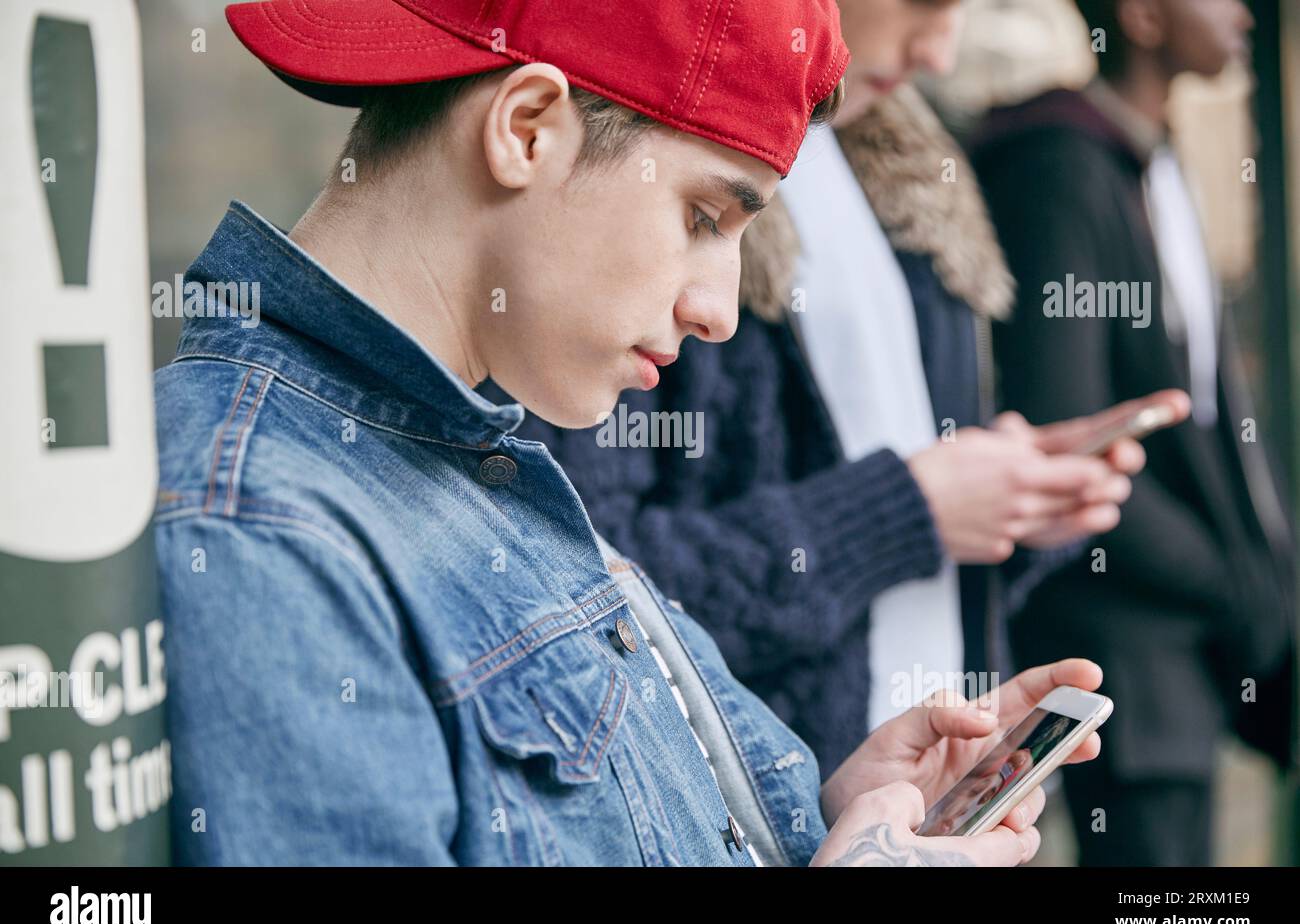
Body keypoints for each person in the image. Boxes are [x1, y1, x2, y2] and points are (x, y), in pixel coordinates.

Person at [153, 0, 1102, 867]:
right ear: (526, 129)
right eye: (702, 215)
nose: (720, 309)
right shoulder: (261, 523)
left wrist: (818, 824)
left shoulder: (471, 449)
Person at [482, 0, 1176, 773]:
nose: (940, 53)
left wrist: (1011, 502)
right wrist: (908, 513)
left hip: (921, 786)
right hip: (744, 807)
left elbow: (910, 550)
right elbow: (583, 587)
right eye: (924, 5)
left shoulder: (913, 185)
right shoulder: (648, 186)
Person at [973, 0, 1295, 865]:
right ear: (1144, 16)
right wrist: (1237, 585)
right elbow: (1066, 431)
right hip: (1122, 647)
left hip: (1183, 641)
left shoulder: (1152, 163)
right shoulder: (1060, 165)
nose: (1242, 14)